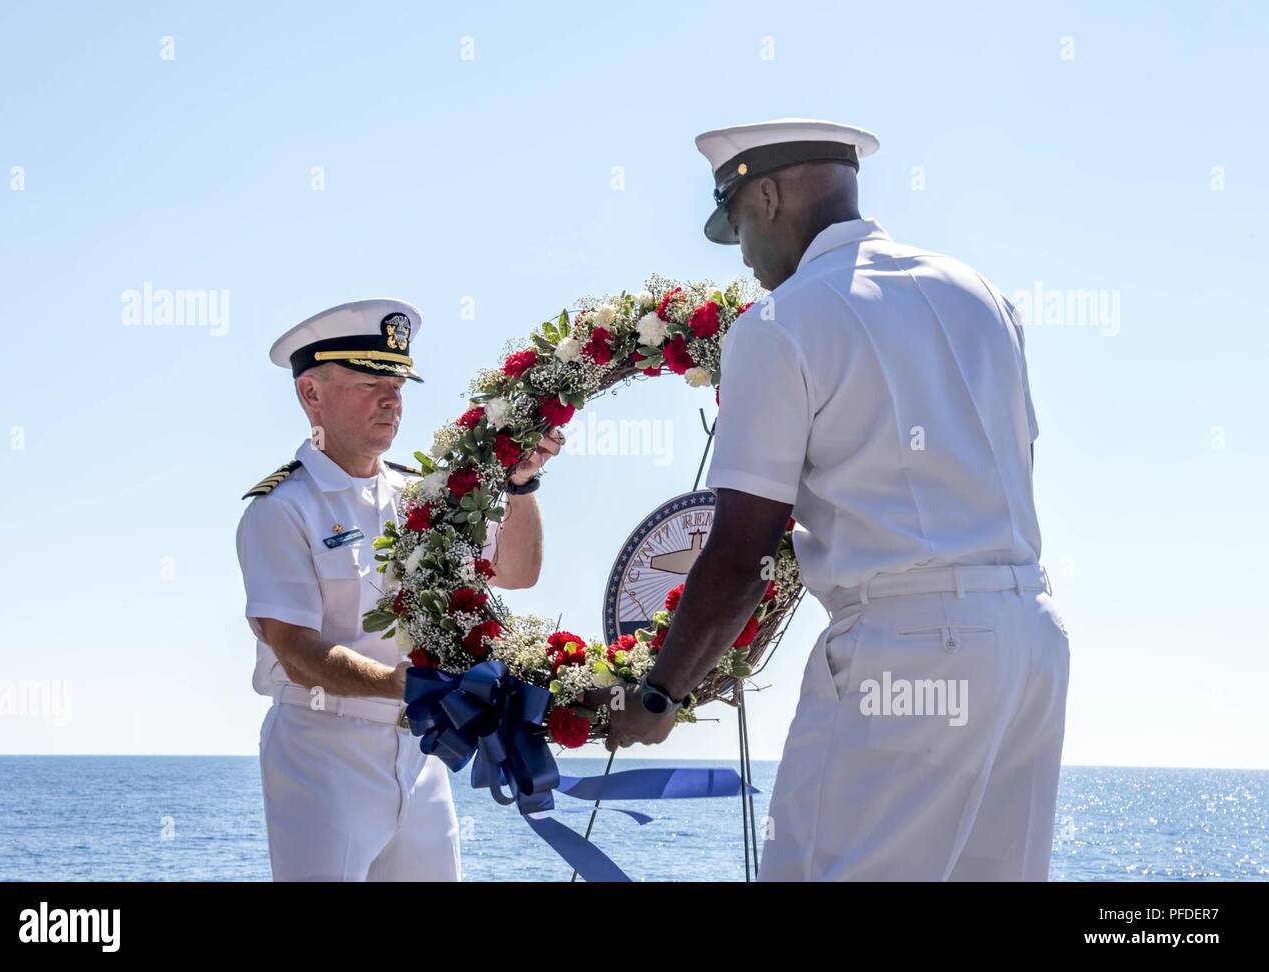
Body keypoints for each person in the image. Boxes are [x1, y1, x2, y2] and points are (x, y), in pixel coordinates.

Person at [605, 118, 1070, 881]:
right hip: (1032, 644)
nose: (747, 259)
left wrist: (659, 697)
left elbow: (743, 552)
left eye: (740, 228)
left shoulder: (781, 323)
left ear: (767, 195)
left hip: (910, 647)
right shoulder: (981, 294)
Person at [237, 298, 563, 881]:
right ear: (311, 394)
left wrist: (520, 482)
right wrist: (399, 684)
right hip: (323, 750)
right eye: (369, 383)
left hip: (421, 751)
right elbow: (295, 649)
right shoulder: (281, 511)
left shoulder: (424, 496)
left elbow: (518, 571)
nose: (391, 399)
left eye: (398, 383)